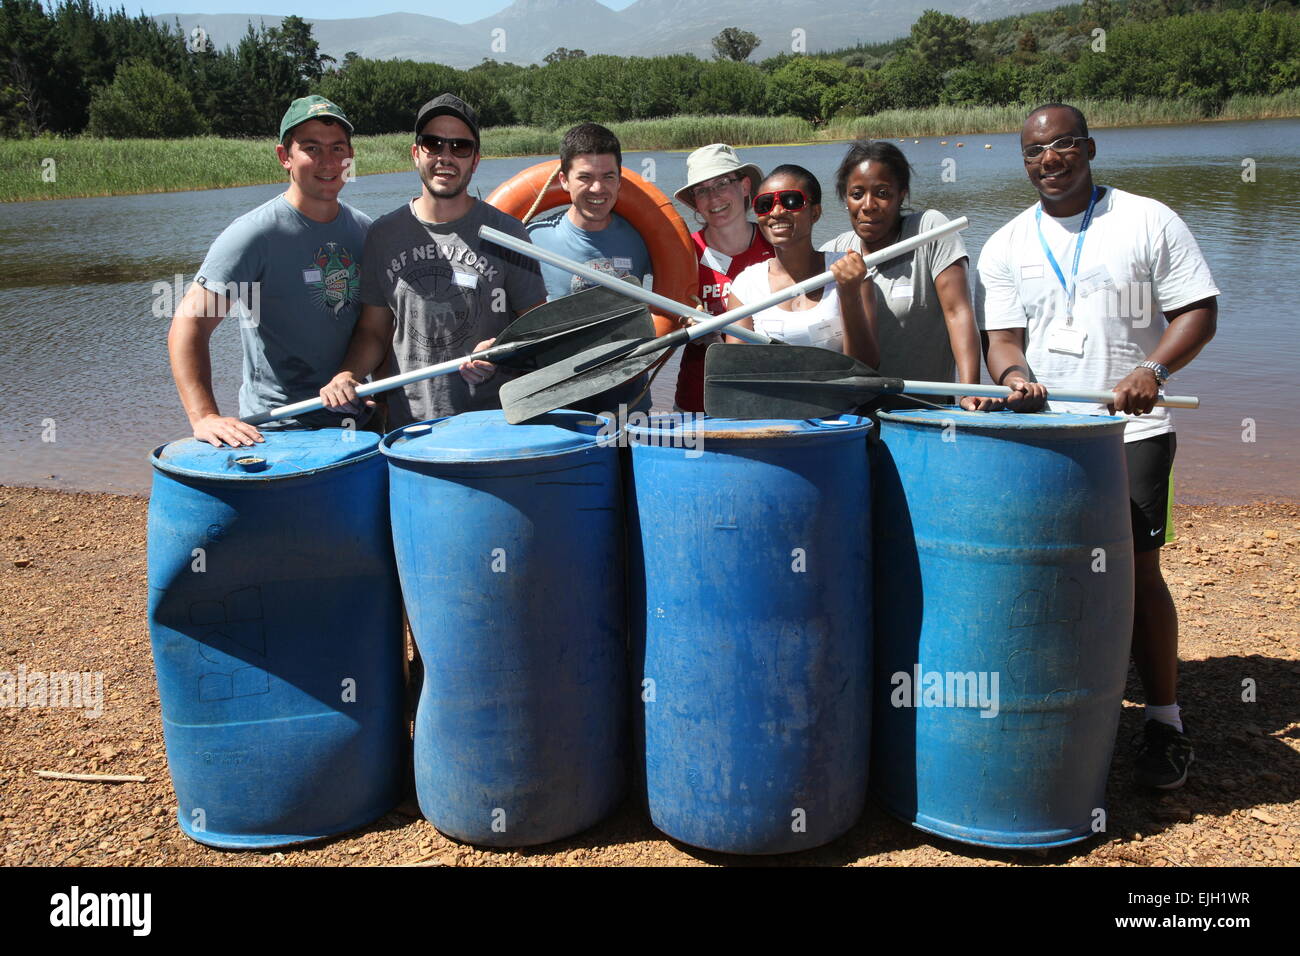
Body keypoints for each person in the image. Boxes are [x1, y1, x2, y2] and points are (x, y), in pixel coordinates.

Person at [976, 103, 1219, 790]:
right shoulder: (1005, 244)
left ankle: (1165, 721)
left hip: (1133, 432)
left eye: (1060, 146)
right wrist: (1015, 377)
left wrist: (1155, 370)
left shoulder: (1148, 219)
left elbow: (1198, 311)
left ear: (1087, 147)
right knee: (1050, 572)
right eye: (1032, 152)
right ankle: (1075, 707)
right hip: (1047, 437)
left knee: (1139, 576)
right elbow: (1002, 341)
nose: (1047, 161)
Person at [319, 93, 546, 428]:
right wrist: (347, 374)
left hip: (494, 422)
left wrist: (502, 348)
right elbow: (373, 329)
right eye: (433, 143)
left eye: (460, 147)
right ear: (416, 153)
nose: (445, 156)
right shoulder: (383, 234)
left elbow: (538, 326)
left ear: (476, 160)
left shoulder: (507, 232)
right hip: (412, 426)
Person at [168, 94, 371, 447]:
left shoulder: (364, 231)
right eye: (312, 148)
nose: (328, 161)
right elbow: (190, 324)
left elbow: (377, 327)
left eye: (338, 149)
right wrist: (204, 417)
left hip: (356, 420)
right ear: (284, 157)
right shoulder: (254, 235)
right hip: (280, 427)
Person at [822, 140, 996, 410]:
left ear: (901, 194)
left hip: (927, 410)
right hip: (860, 414)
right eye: (857, 194)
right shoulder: (833, 253)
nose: (868, 205)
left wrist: (969, 390)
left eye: (882, 193)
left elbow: (958, 312)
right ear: (845, 198)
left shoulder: (931, 231)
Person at [526, 123, 652, 413]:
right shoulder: (532, 238)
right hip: (558, 394)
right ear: (564, 180)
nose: (598, 189)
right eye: (585, 177)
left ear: (620, 179)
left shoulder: (643, 237)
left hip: (627, 391)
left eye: (608, 176)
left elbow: (677, 288)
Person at [726, 165, 878, 369]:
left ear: (815, 213)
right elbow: (735, 368)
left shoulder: (848, 271)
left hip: (838, 399)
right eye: (765, 204)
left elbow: (866, 366)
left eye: (791, 201)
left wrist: (849, 295)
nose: (777, 212)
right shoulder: (746, 284)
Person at [671, 143, 774, 413]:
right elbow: (662, 314)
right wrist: (684, 324)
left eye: (722, 184)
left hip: (769, 399)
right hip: (697, 401)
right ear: (695, 201)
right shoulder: (683, 252)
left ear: (744, 187)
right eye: (702, 190)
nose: (713, 197)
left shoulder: (778, 245)